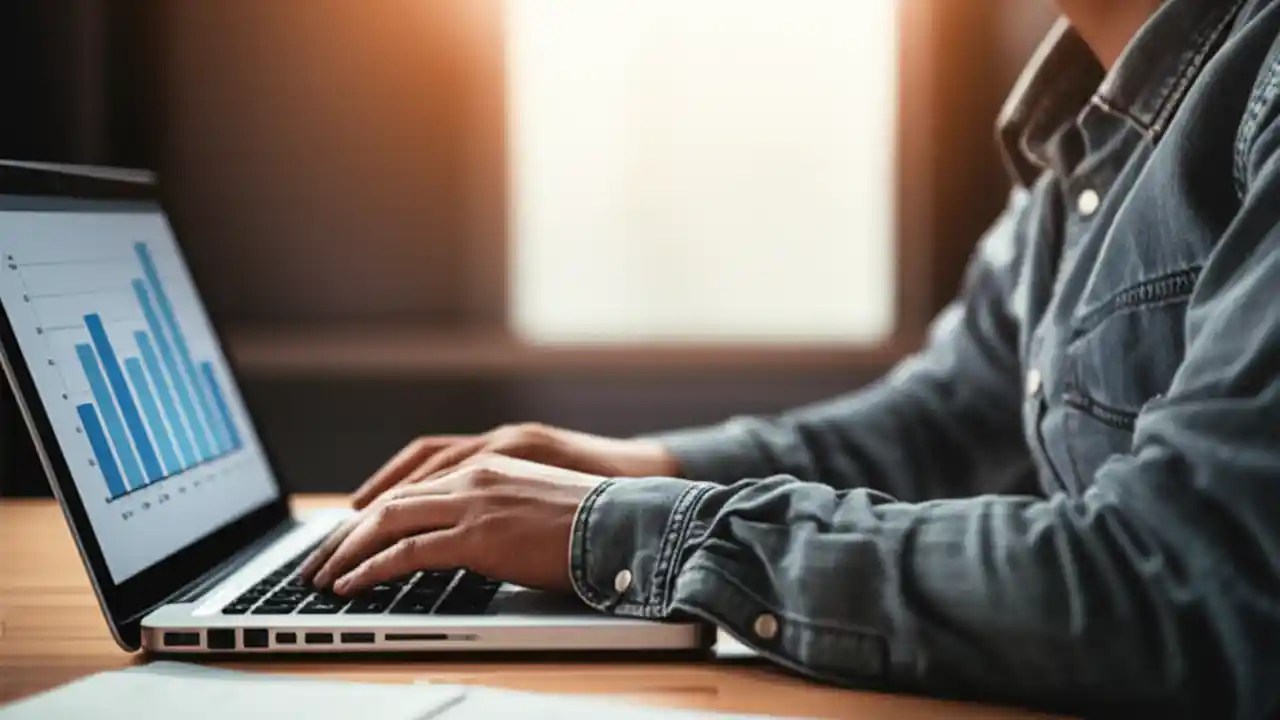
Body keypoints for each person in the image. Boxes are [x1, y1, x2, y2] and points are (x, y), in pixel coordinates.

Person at [301, 0, 1280, 715]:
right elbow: (946, 422)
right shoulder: (1086, 128)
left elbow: (1173, 579)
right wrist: (640, 468)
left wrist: (635, 532)